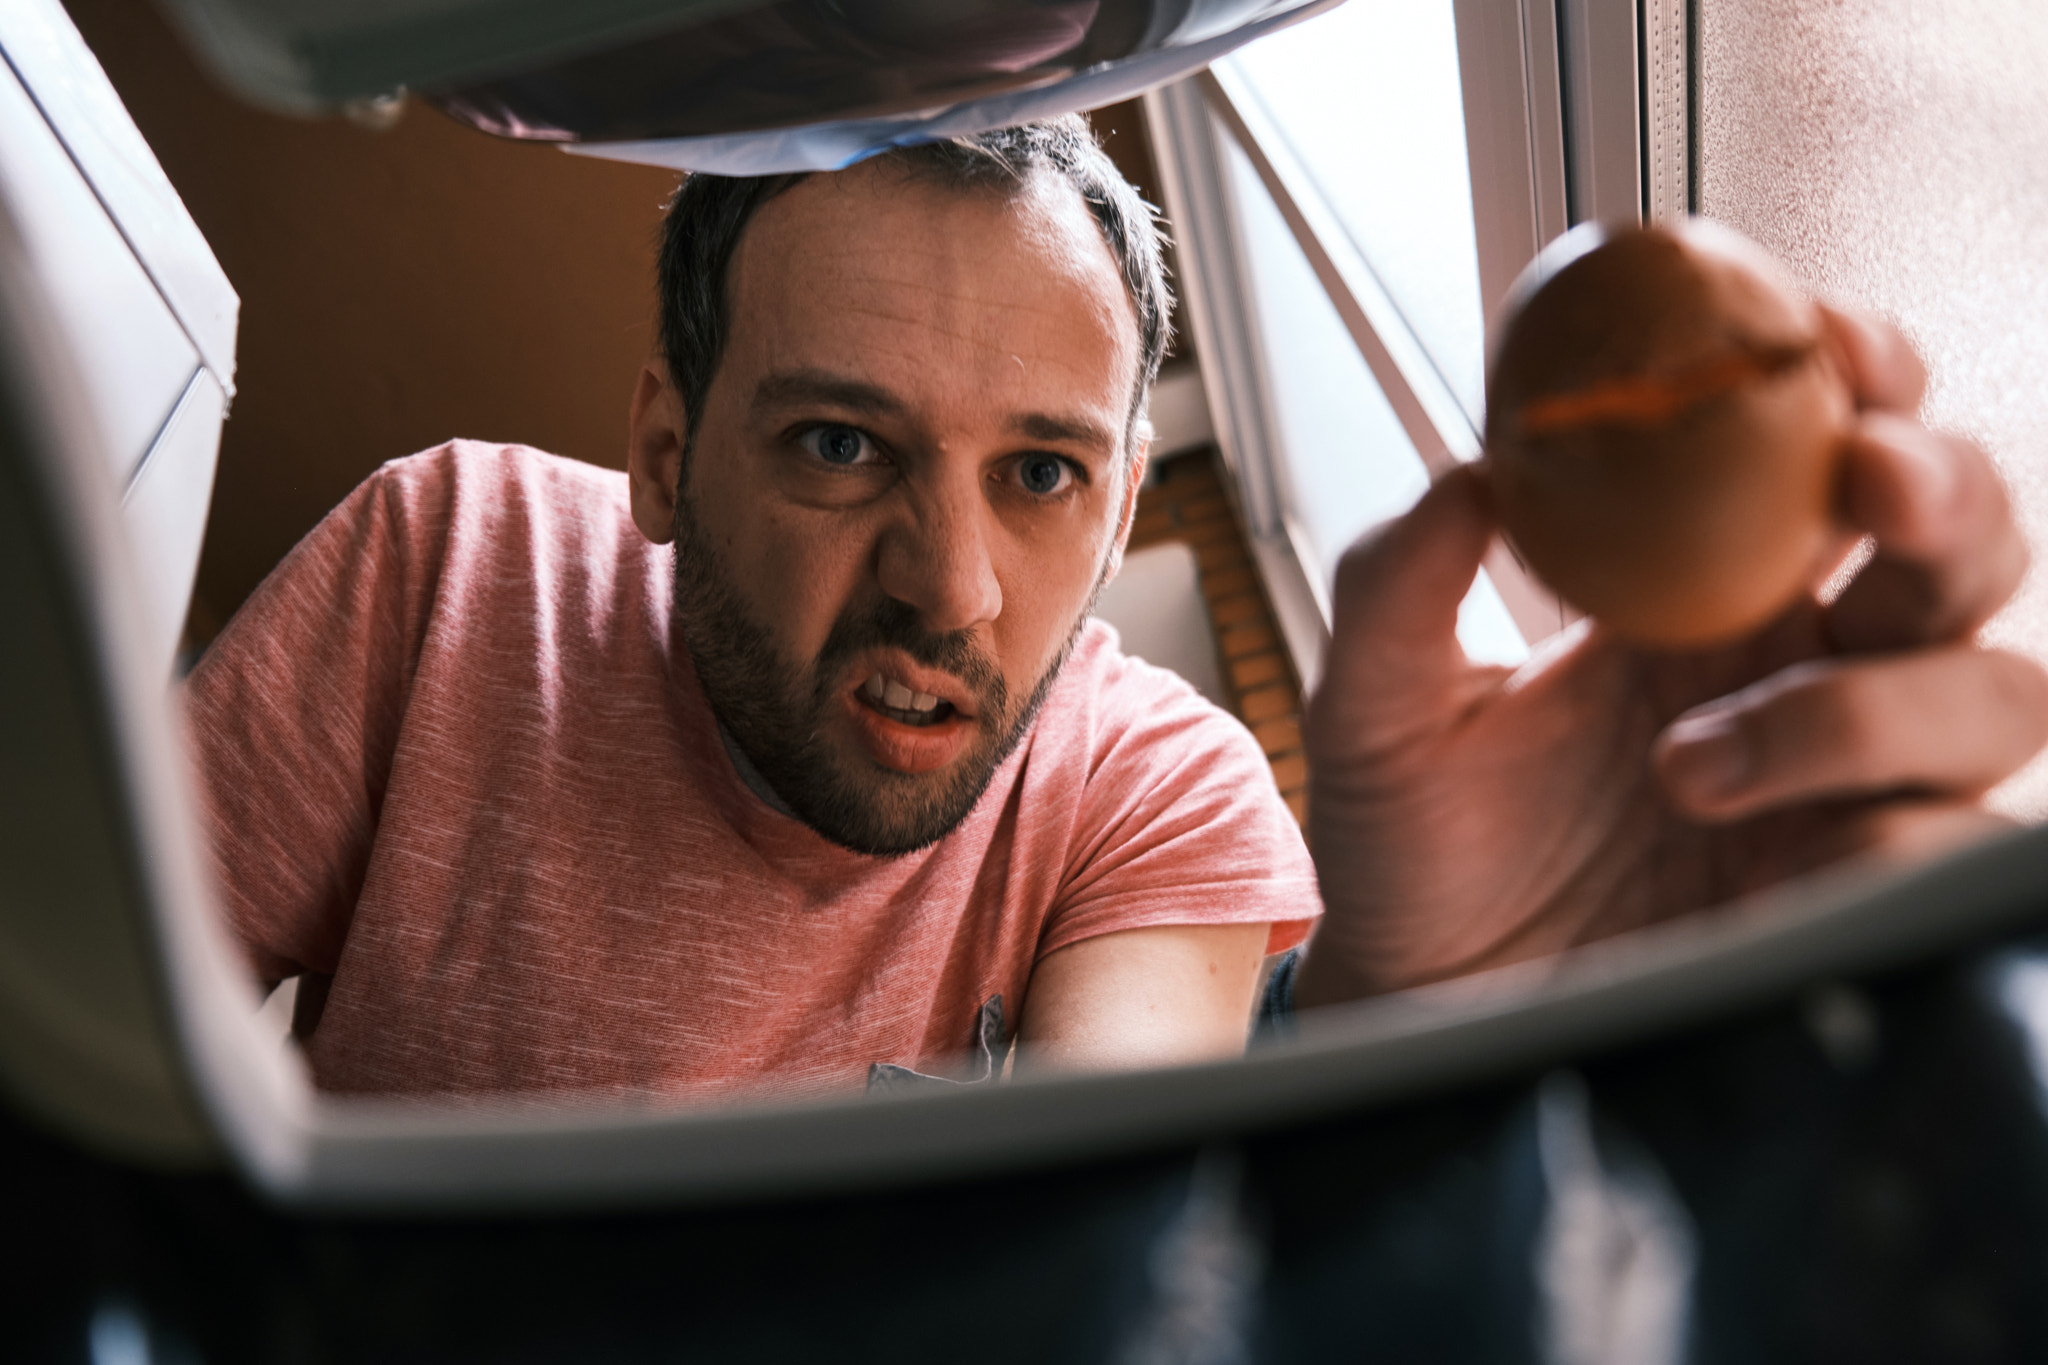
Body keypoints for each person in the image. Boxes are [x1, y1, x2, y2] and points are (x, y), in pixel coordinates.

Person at [182, 116, 2046, 1101]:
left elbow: (1124, 1248)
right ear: (667, 456)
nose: (954, 585)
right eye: (841, 443)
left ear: (1127, 496)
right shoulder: (449, 563)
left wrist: (1446, 1056)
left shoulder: (1154, 791)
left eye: (1044, 471)